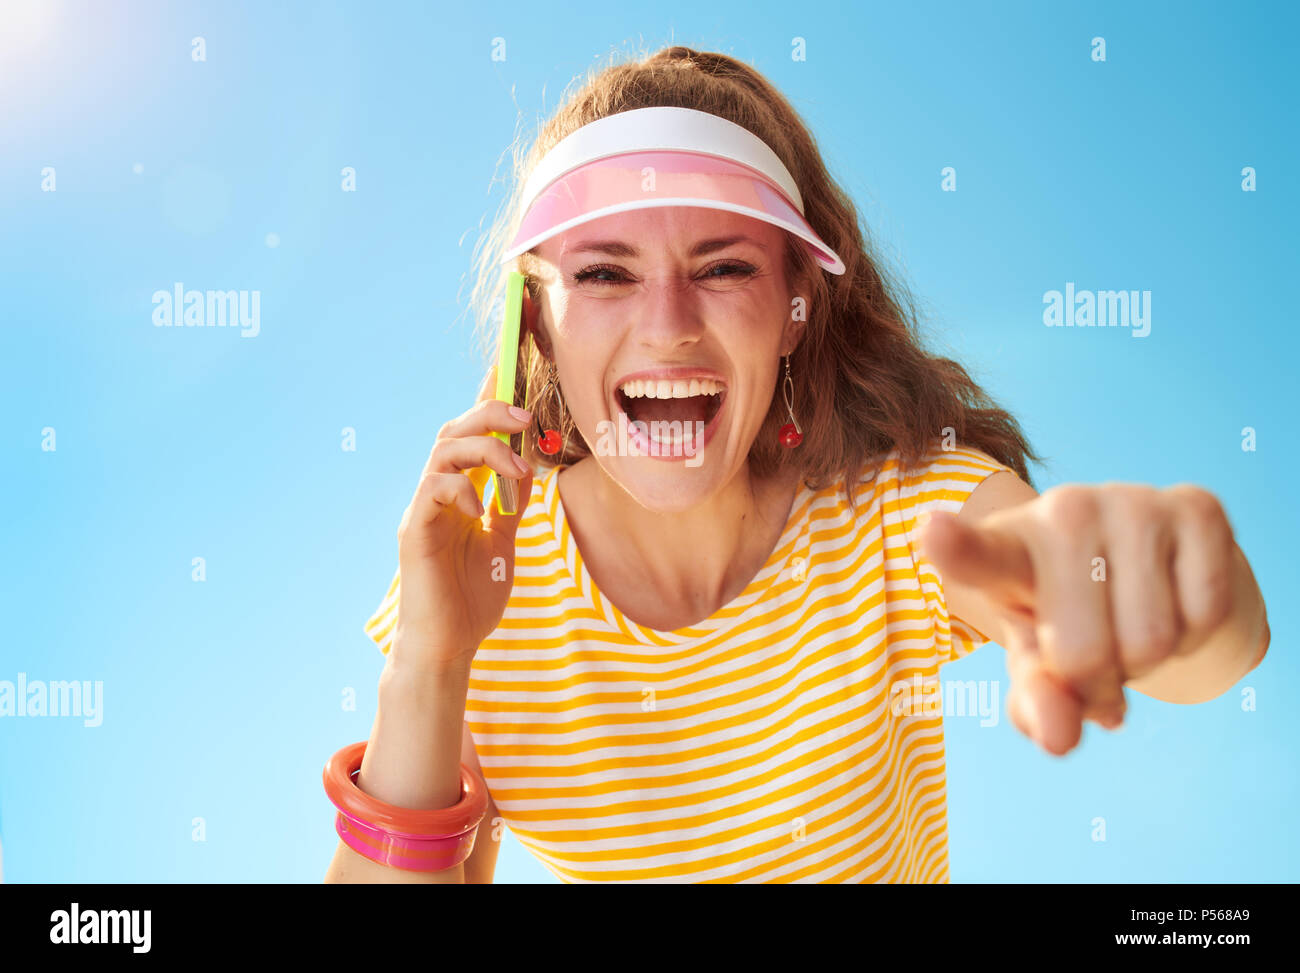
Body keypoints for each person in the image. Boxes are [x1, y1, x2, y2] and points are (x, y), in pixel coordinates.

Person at [323, 46, 1269, 884]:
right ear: (534, 321)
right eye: (605, 272)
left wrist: (1172, 594)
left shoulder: (898, 512)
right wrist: (430, 663)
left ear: (796, 308)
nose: (667, 325)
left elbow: (1188, 645)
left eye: (724, 267)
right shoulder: (480, 574)